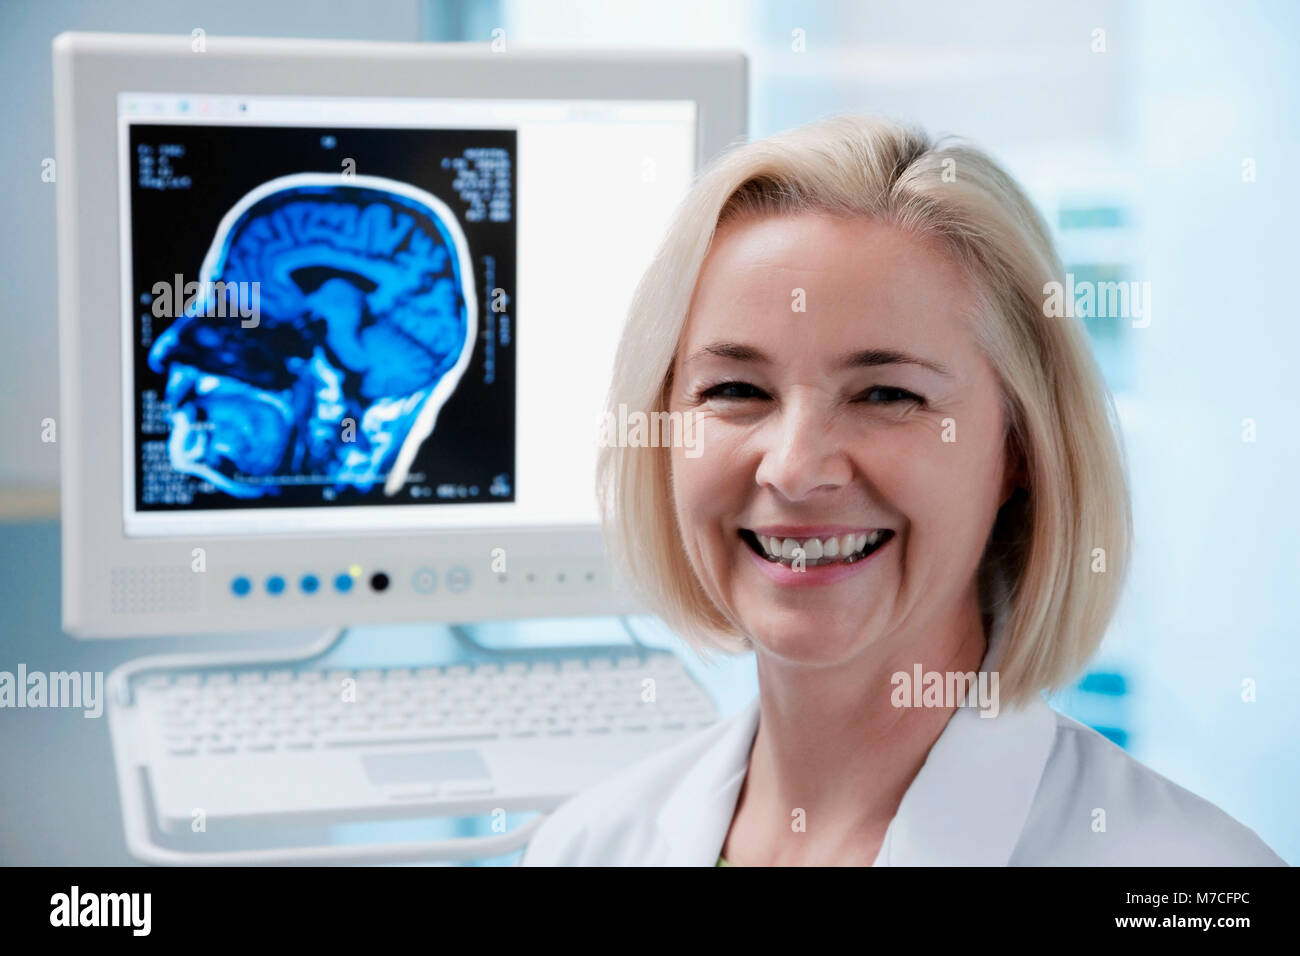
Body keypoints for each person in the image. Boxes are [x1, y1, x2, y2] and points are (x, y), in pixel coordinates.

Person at [521, 114, 1284, 866]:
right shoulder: (586, 847)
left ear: (1020, 447)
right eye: (735, 389)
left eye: (886, 395)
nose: (793, 468)